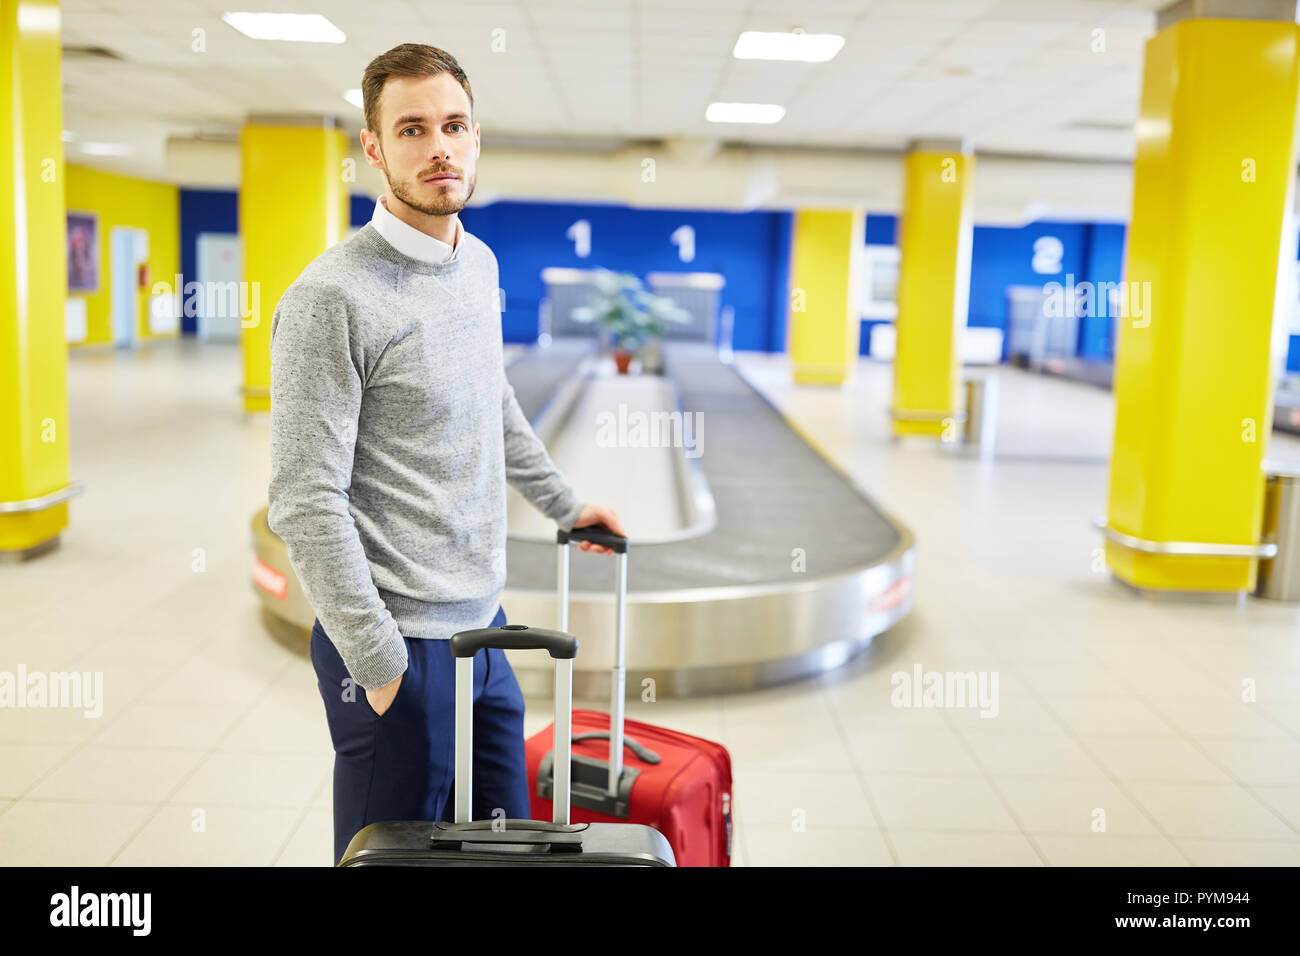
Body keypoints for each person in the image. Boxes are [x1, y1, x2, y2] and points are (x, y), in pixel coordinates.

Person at [266, 42, 624, 866]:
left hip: (485, 629)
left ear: (475, 137)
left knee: (512, 850)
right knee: (389, 857)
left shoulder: (479, 266)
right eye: (413, 128)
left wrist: (567, 505)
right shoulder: (331, 299)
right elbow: (304, 501)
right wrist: (385, 667)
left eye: (455, 125)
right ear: (374, 146)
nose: (440, 147)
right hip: (396, 649)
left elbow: (490, 402)